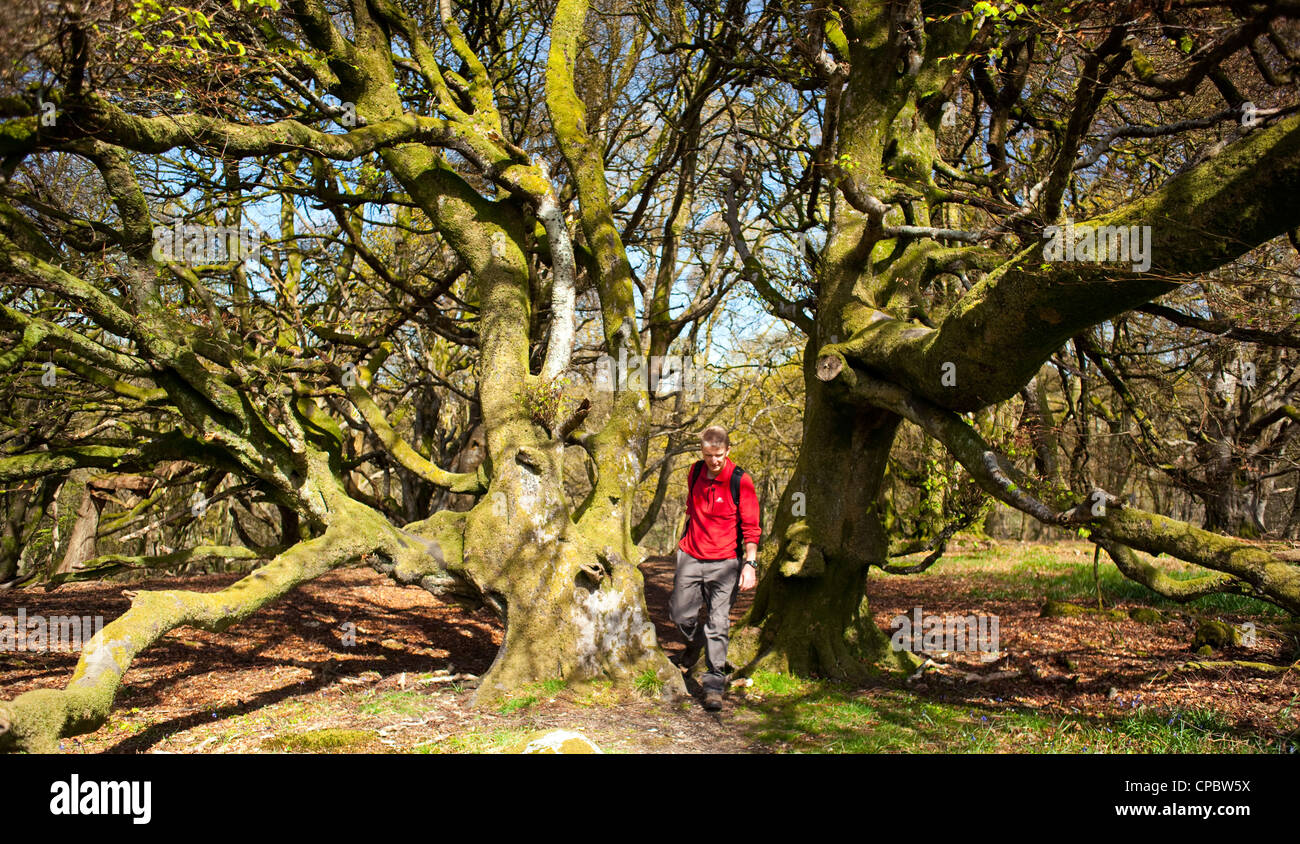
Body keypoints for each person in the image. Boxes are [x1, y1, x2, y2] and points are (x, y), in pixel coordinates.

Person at [669, 425, 760, 711]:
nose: (714, 460)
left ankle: (713, 685)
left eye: (718, 455)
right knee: (680, 614)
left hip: (725, 563)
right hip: (691, 555)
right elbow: (691, 509)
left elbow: (751, 528)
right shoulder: (695, 472)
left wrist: (750, 564)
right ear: (702, 452)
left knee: (718, 623)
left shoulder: (741, 481)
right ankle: (696, 644)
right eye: (708, 455)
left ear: (728, 450)